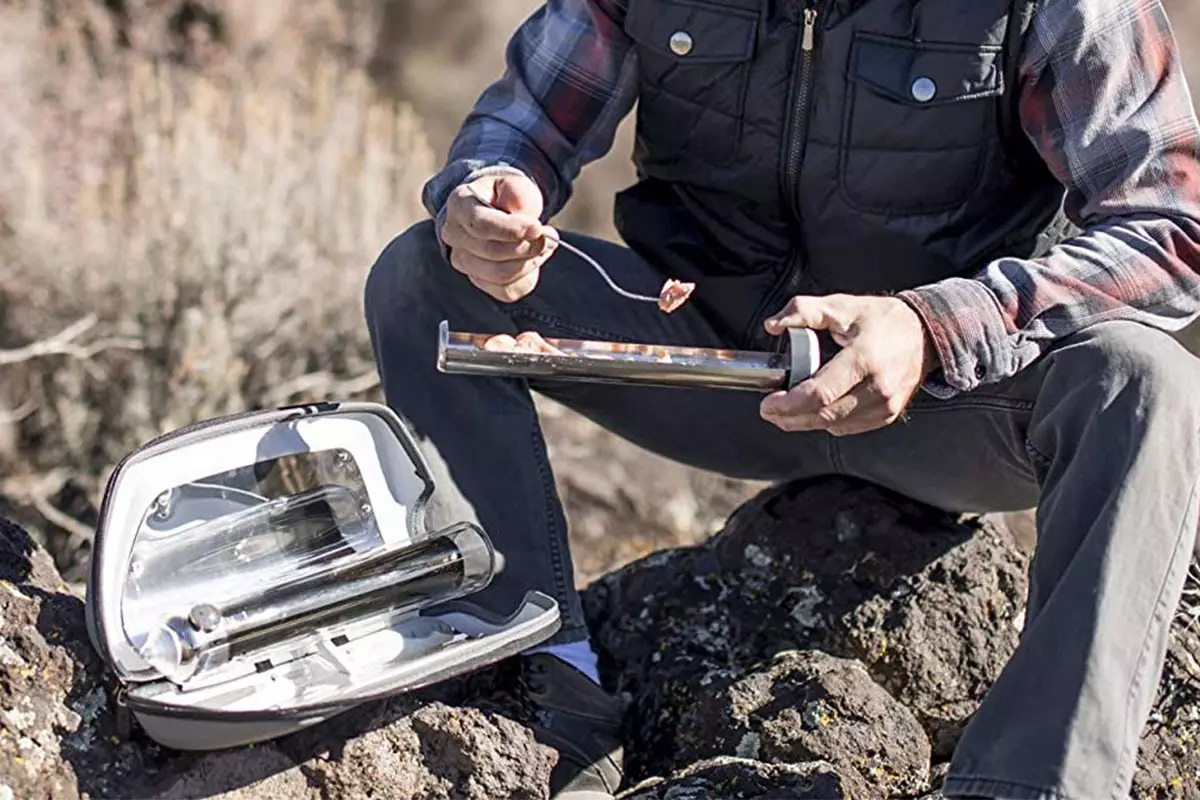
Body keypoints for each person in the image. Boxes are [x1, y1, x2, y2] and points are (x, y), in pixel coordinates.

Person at [363, 0, 1200, 796]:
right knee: (425, 278)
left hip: (953, 397)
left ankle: (1028, 785)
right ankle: (545, 696)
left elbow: (1170, 230)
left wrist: (931, 326)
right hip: (710, 363)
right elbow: (523, 127)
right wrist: (488, 195)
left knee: (1145, 382)